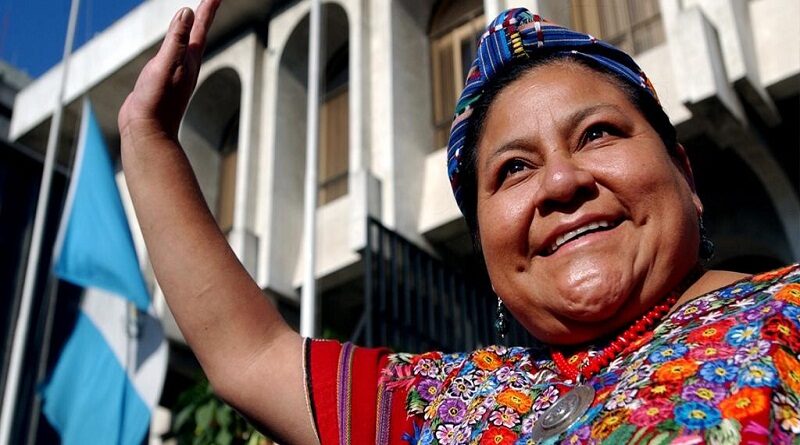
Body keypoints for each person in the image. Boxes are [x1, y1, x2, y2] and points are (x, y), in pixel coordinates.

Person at [118, 1, 800, 444]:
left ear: (683, 170)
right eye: (514, 169)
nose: (561, 183)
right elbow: (250, 356)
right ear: (486, 245)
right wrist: (146, 140)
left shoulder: (788, 310)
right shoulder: (443, 405)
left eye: (596, 133)